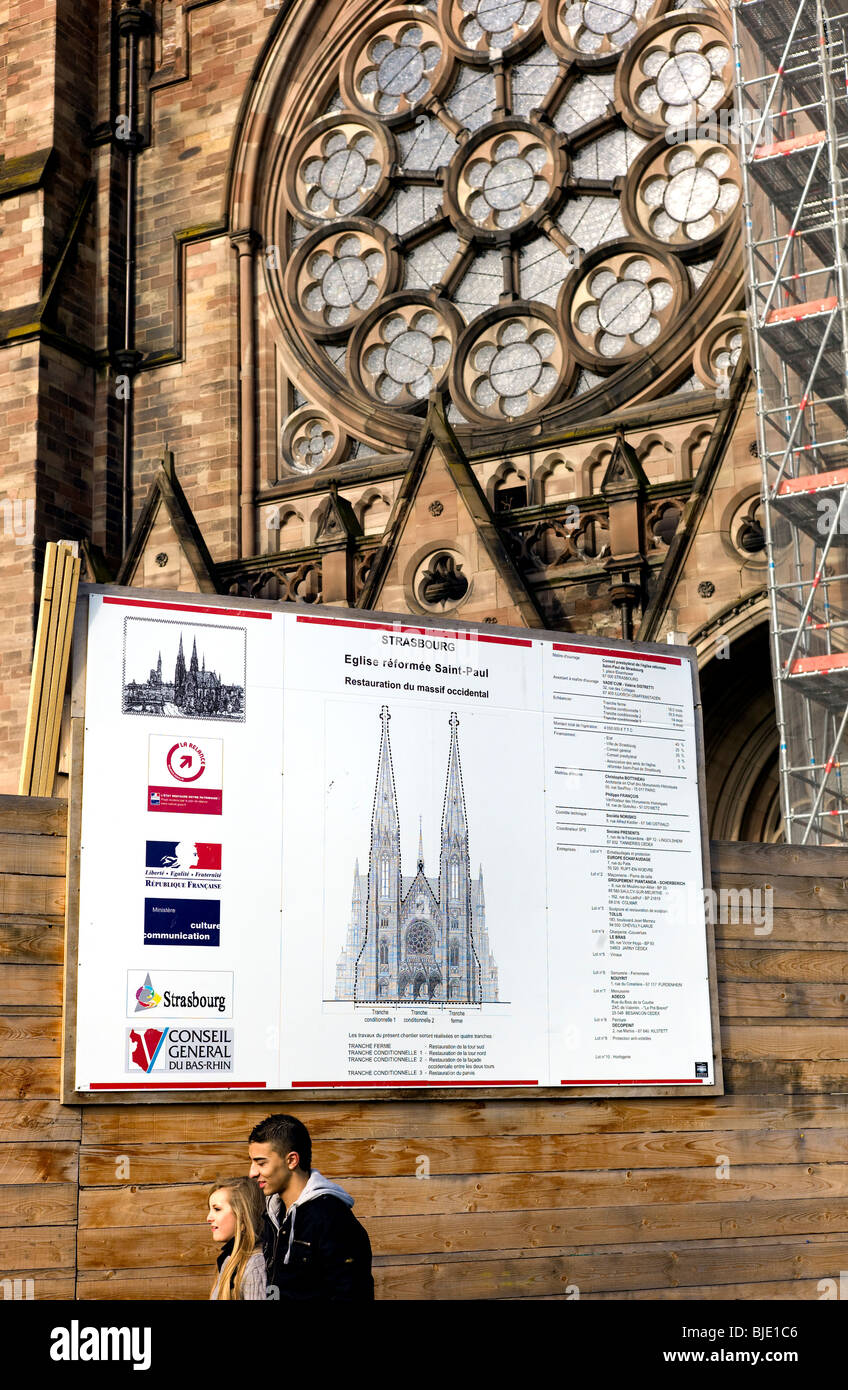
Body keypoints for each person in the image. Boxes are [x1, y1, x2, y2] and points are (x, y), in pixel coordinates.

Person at [248, 1112, 374, 1300]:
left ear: (291, 1160)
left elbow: (353, 1292)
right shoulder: (274, 1215)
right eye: (252, 1162)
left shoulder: (332, 1218)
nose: (252, 1172)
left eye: (261, 1163)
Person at [207, 1175, 268, 1300]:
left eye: (217, 1209)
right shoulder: (229, 1259)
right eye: (210, 1210)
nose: (208, 1218)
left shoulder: (256, 1265)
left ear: (243, 1216)